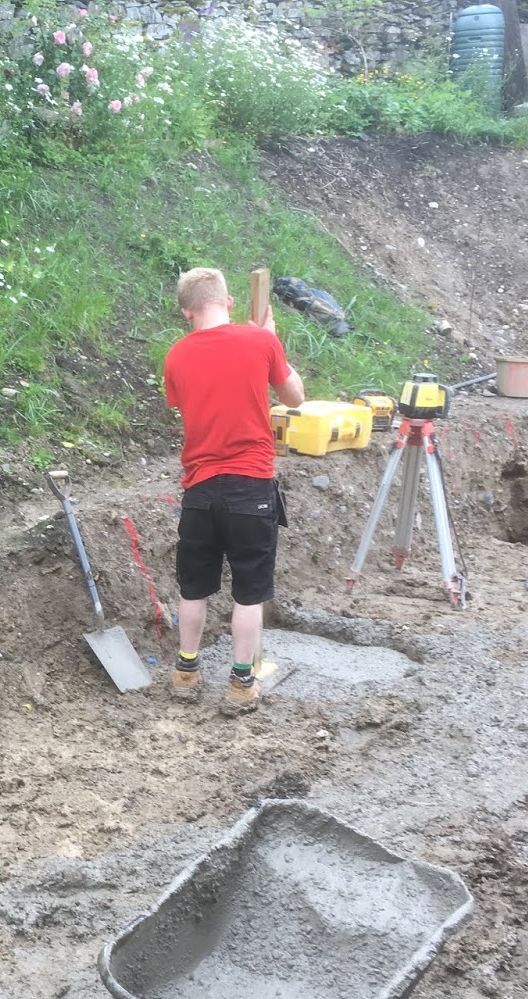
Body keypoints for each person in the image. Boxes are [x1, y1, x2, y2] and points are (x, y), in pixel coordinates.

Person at [163, 267, 306, 712]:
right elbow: (295, 397)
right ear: (227, 301)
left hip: (200, 490)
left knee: (193, 588)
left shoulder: (175, 356)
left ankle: (186, 672)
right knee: (249, 591)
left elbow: (190, 401)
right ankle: (241, 683)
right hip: (251, 487)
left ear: (186, 312)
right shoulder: (260, 341)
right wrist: (272, 343)